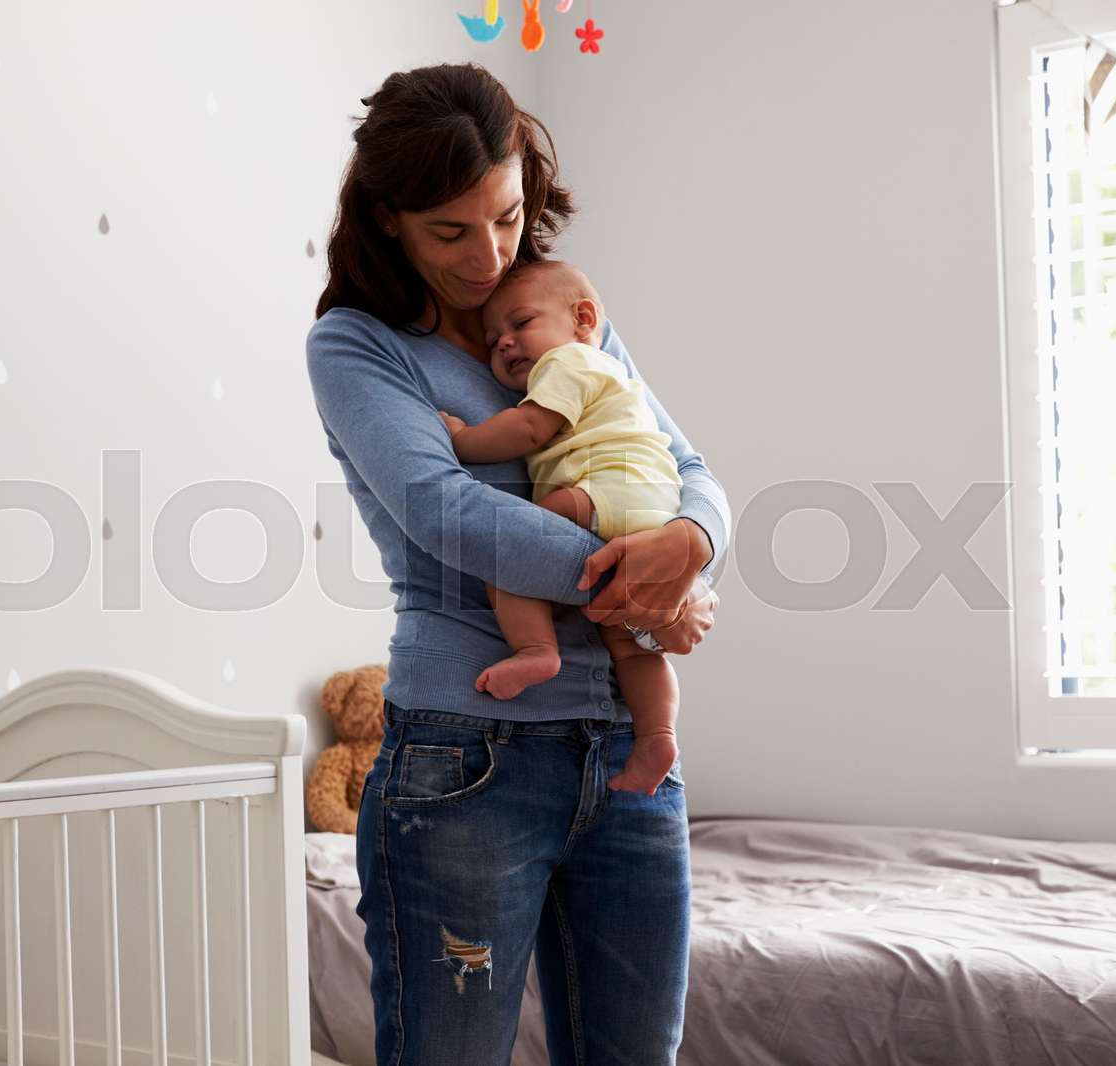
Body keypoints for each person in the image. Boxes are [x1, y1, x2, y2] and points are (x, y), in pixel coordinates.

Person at [305, 62, 730, 1066]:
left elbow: (685, 466)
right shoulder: (357, 346)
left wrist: (693, 544)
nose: (487, 256)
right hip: (468, 759)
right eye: (449, 231)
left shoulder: (567, 317)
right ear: (390, 221)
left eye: (503, 217)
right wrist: (635, 581)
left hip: (627, 751)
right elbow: (444, 512)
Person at [436, 259, 682, 797]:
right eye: (492, 339)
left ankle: (535, 650)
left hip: (603, 489)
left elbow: (527, 429)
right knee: (630, 642)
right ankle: (657, 735)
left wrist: (464, 439)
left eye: (520, 323)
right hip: (652, 508)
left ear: (582, 319)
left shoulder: (568, 362)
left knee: (507, 553)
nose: (503, 343)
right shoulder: (611, 374)